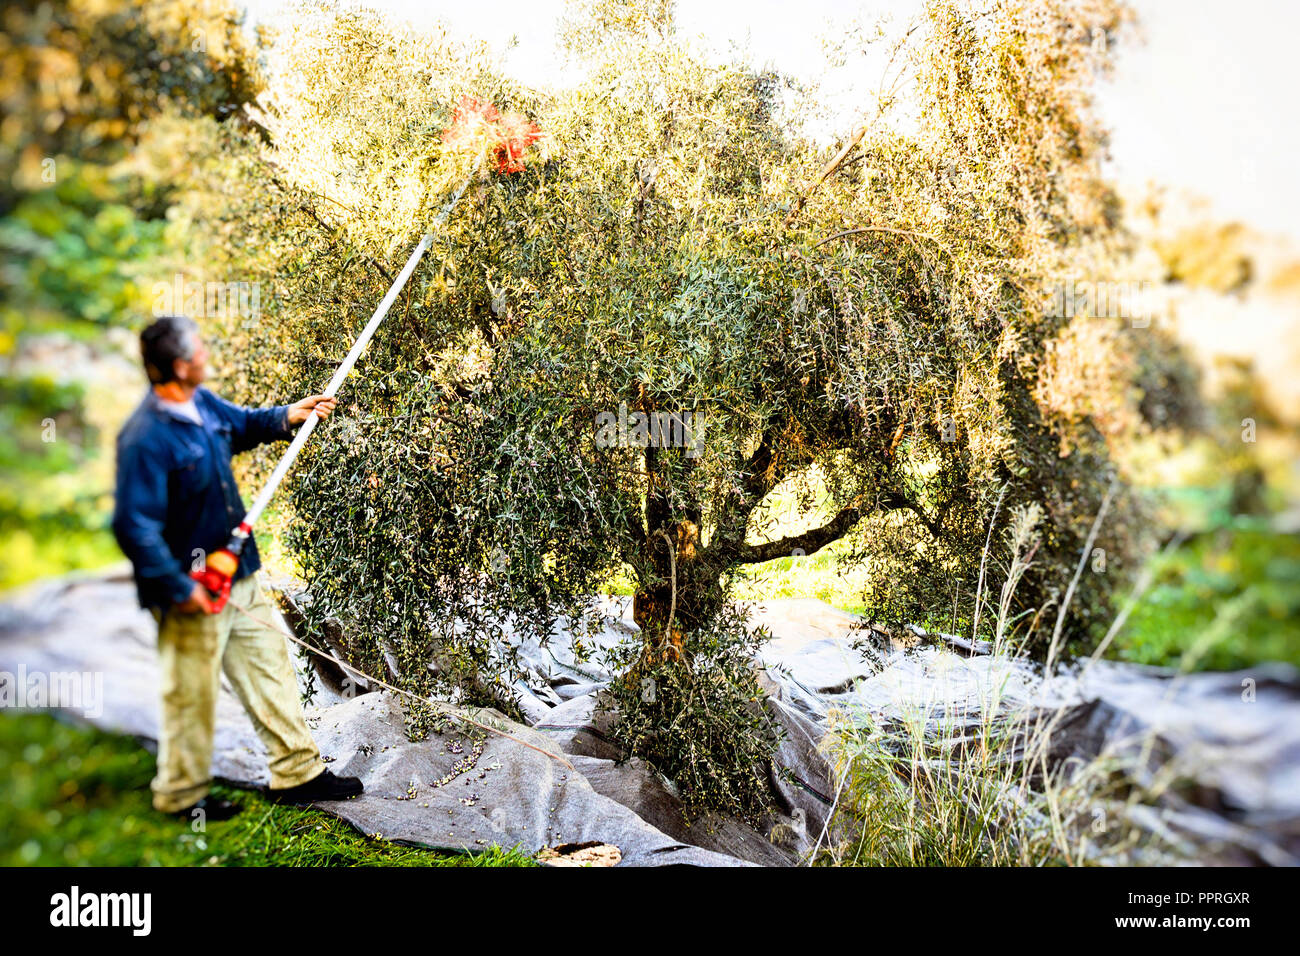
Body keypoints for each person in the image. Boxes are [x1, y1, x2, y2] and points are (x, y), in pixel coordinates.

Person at [112, 314, 363, 820]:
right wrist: (180, 587)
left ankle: (296, 773)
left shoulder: (200, 402)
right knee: (192, 695)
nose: (207, 355)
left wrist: (291, 414)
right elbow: (132, 526)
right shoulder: (144, 438)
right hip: (192, 589)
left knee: (270, 668)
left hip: (238, 572)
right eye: (200, 351)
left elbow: (242, 425)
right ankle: (180, 795)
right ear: (181, 366)